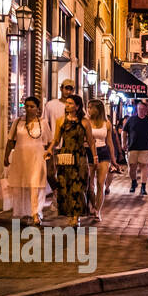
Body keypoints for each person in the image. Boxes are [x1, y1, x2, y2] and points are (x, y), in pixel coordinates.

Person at [46, 95, 96, 227]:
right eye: (66, 103)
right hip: (65, 156)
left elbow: (91, 141)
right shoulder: (61, 120)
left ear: (77, 106)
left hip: (79, 157)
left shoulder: (84, 122)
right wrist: (49, 150)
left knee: (78, 187)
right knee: (65, 186)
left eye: (70, 103)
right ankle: (69, 213)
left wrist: (95, 157)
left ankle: (76, 216)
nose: (67, 105)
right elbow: (56, 140)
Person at [3, 96, 49, 225]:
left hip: (37, 157)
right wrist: (6, 156)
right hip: (20, 157)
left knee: (36, 185)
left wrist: (50, 156)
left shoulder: (43, 123)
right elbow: (10, 140)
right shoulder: (18, 122)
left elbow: (50, 142)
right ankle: (21, 212)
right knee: (20, 185)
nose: (29, 109)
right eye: (27, 106)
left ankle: (36, 213)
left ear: (38, 109)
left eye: (32, 106)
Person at [42, 80, 75, 218]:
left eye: (71, 89)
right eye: (66, 88)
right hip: (53, 145)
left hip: (68, 146)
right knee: (50, 173)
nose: (68, 91)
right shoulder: (51, 105)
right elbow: (45, 123)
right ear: (61, 88)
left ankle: (59, 201)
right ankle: (57, 193)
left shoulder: (75, 106)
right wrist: (46, 144)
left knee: (64, 175)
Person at [85, 99, 121, 222]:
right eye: (88, 107)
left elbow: (109, 142)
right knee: (89, 184)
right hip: (88, 152)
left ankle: (97, 210)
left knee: (101, 183)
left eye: (91, 107)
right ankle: (92, 204)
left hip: (103, 152)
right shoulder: (86, 122)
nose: (89, 110)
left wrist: (114, 158)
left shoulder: (107, 123)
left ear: (98, 109)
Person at [124, 100, 148, 196]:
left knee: (145, 167)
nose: (141, 110)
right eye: (139, 109)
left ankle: (143, 186)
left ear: (146, 110)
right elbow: (124, 132)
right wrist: (123, 143)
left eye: (143, 109)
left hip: (146, 147)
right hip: (133, 147)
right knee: (132, 167)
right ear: (137, 109)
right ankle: (133, 182)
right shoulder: (131, 120)